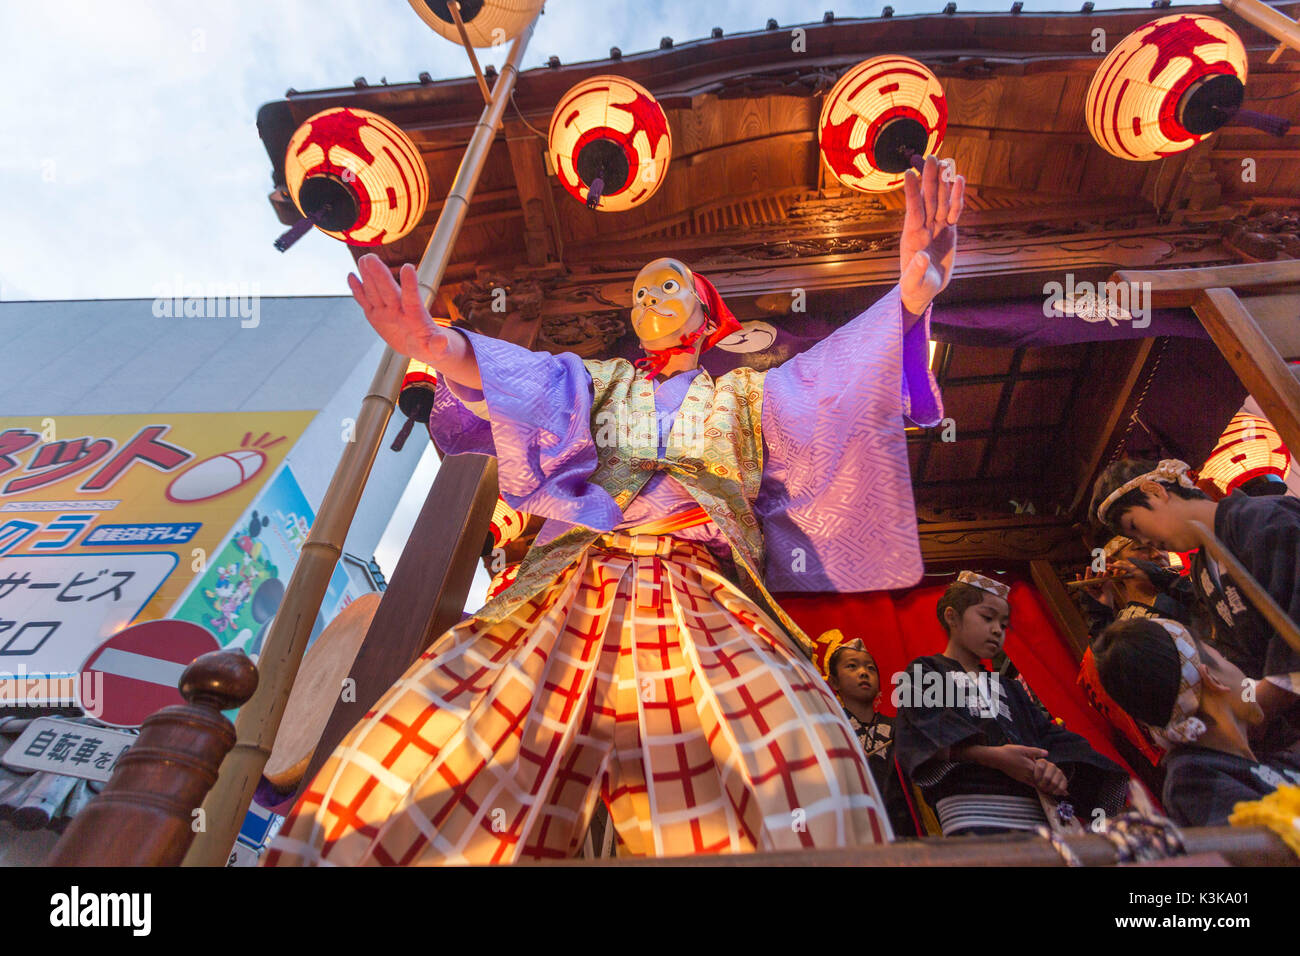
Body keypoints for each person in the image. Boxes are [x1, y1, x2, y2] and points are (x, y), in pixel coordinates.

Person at [263, 157, 966, 866]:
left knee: (803, 760)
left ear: (705, 309)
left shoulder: (748, 398)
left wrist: (907, 297)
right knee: (433, 754)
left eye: (667, 284)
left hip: (703, 596)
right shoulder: (595, 382)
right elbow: (529, 381)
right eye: (638, 291)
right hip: (568, 590)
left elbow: (829, 382)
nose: (648, 298)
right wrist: (439, 346)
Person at [893, 572, 1129, 837]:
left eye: (1003, 623)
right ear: (952, 617)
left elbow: (1050, 738)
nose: (997, 630)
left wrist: (1054, 768)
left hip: (1042, 819)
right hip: (975, 816)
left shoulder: (1010, 688)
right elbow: (919, 734)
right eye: (987, 617)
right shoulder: (925, 671)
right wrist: (993, 757)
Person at [1090, 458, 1300, 748]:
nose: (1147, 541)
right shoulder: (1203, 571)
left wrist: (1259, 706)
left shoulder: (1261, 519)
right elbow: (1240, 664)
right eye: (1135, 538)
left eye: (1136, 526)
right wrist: (1244, 701)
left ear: (1155, 491)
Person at [1092, 615, 1300, 827]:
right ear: (1212, 678)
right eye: (1223, 658)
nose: (1240, 672)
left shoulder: (1244, 757)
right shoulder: (1194, 783)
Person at [815, 629, 915, 836]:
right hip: (848, 827)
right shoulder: (828, 729)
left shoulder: (901, 728)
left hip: (901, 828)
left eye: (870, 668)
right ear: (834, 682)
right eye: (852, 666)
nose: (863, 672)